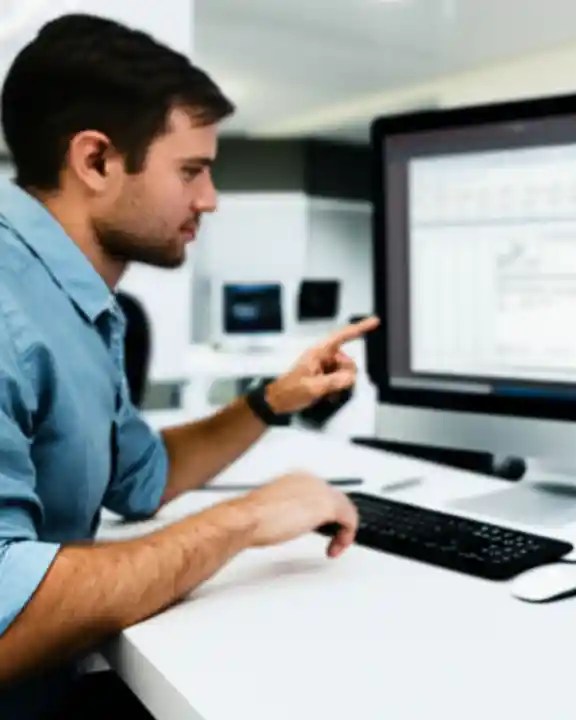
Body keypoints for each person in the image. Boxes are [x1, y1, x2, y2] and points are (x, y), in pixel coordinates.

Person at [0, 14, 374, 719]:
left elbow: (141, 478)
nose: (210, 199)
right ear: (97, 161)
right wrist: (246, 519)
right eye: (191, 171)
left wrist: (271, 401)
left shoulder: (76, 302)